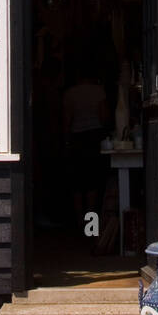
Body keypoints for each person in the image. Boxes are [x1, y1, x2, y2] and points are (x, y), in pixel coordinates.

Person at [62, 70, 110, 233]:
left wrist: (66, 142)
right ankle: (91, 227)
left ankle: (78, 225)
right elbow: (103, 116)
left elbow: (67, 120)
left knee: (77, 184)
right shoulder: (98, 91)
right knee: (92, 184)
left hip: (77, 138)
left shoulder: (70, 93)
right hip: (94, 137)